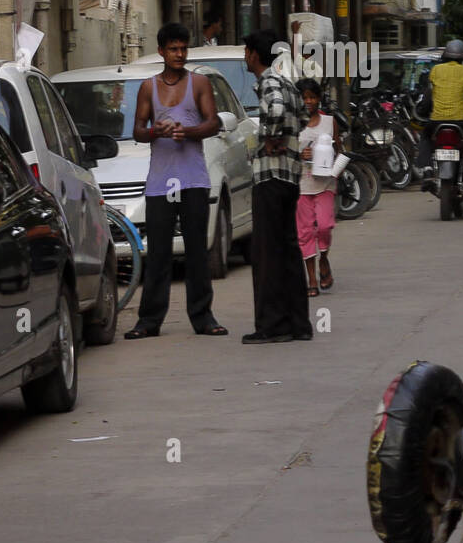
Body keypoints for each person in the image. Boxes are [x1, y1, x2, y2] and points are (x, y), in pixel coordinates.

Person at [124, 22, 227, 339]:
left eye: (183, 48)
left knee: (197, 251)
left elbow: (213, 123)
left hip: (193, 180)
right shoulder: (148, 88)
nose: (179, 54)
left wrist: (188, 131)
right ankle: (149, 320)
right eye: (173, 49)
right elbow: (138, 131)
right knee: (158, 253)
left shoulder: (199, 83)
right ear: (161, 52)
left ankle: (203, 317)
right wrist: (157, 131)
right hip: (160, 183)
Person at [242, 29, 312, 344]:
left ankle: (271, 325)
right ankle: (298, 323)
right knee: (288, 249)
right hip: (290, 177)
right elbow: (304, 113)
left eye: (246, 51)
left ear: (254, 54)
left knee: (267, 252)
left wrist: (271, 137)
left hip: (271, 176)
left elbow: (276, 109)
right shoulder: (288, 81)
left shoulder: (270, 81)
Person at [416, 39, 463, 193]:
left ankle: (428, 170)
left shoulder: (435, 70)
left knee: (425, 138)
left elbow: (429, 96)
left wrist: (424, 110)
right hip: (461, 120)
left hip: (436, 121)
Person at [297, 78, 340, 297]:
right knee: (304, 233)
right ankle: (312, 279)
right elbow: (284, 152)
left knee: (324, 226)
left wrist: (335, 171)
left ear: (319, 99)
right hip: (302, 185)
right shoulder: (294, 124)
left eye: (312, 97)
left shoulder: (329, 122)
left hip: (325, 184)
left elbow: (340, 151)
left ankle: (324, 259)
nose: (308, 102)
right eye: (304, 98)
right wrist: (299, 154)